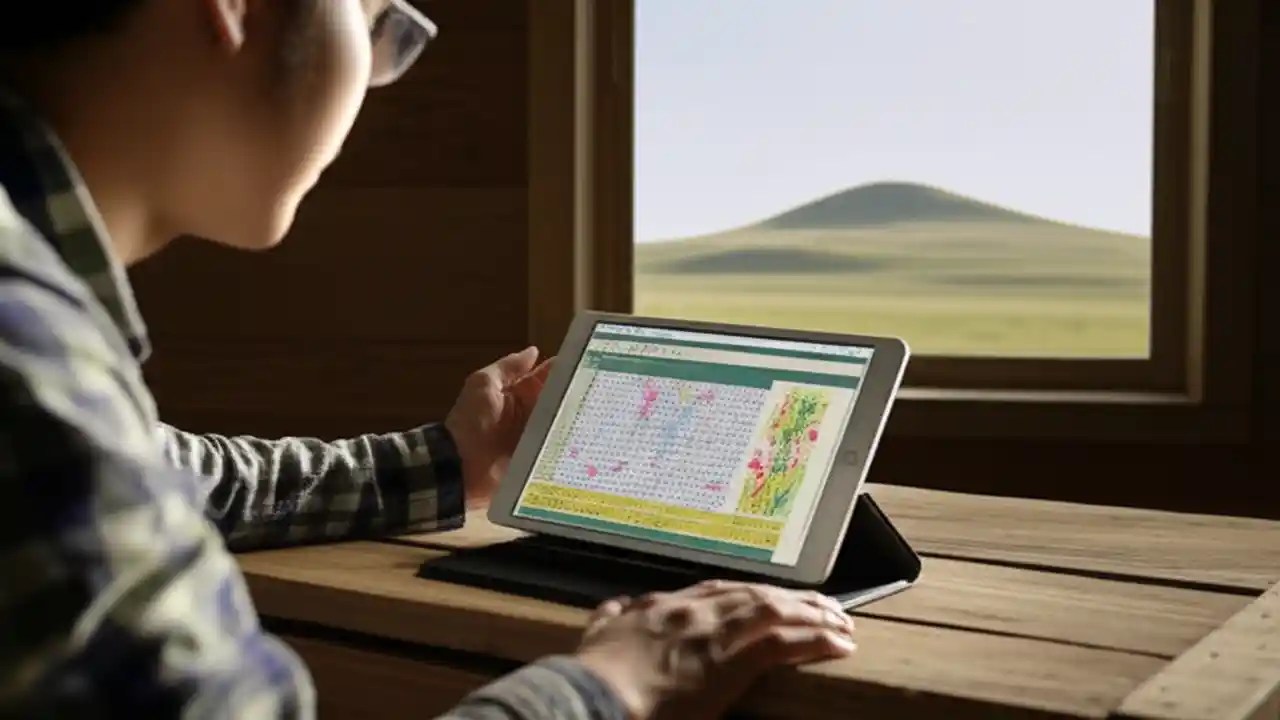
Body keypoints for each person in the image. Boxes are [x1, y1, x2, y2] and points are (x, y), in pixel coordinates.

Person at [0, 2, 858, 718]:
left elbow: (167, 474)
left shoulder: (44, 355)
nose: (377, 76)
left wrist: (449, 460)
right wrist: (615, 684)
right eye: (379, 20)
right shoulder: (28, 360)